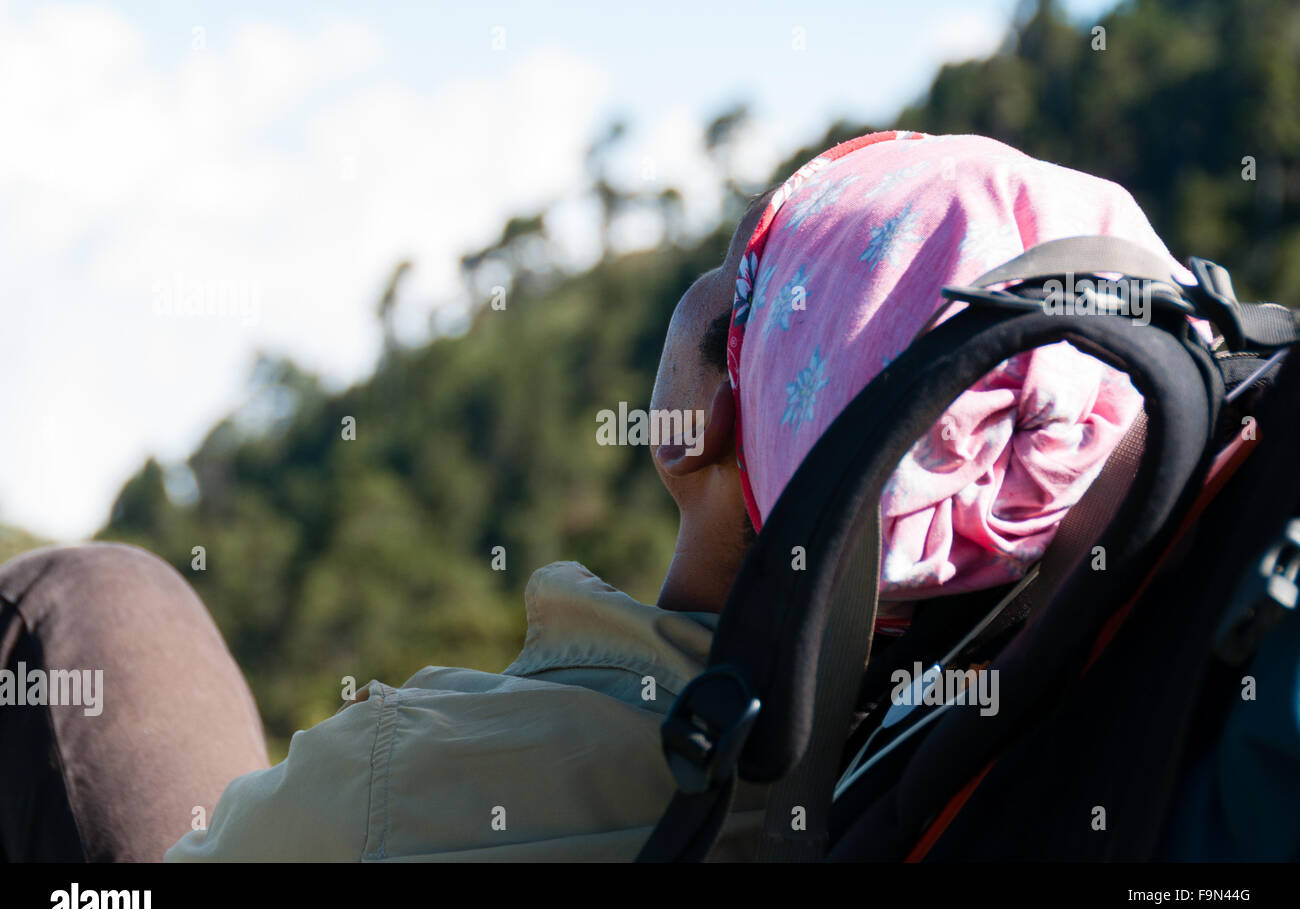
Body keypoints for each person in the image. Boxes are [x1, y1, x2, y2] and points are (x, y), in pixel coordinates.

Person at [0, 131, 1188, 862]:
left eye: (738, 277)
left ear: (705, 425)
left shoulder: (409, 780)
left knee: (88, 596)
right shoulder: (1026, 745)